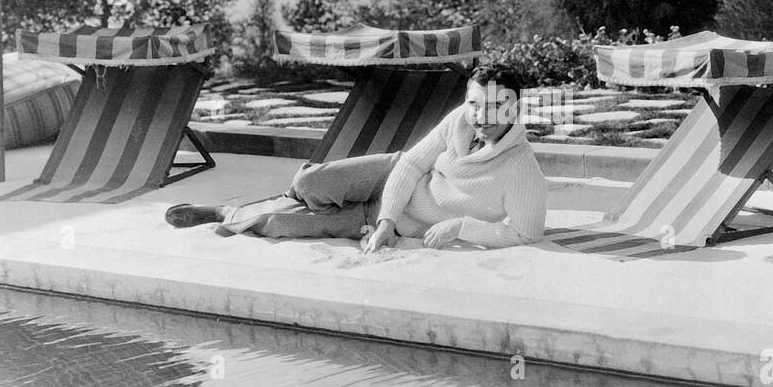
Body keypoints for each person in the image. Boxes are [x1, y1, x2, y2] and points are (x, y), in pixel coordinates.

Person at [164, 65, 546, 252]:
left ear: (514, 109)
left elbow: (527, 234)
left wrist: (460, 227)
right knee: (306, 184)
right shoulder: (459, 121)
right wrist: (385, 220)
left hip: (409, 222)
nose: (482, 116)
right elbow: (412, 164)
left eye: (496, 106)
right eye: (476, 104)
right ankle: (299, 194)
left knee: (277, 226)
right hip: (391, 177)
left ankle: (221, 212)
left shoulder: (521, 168)